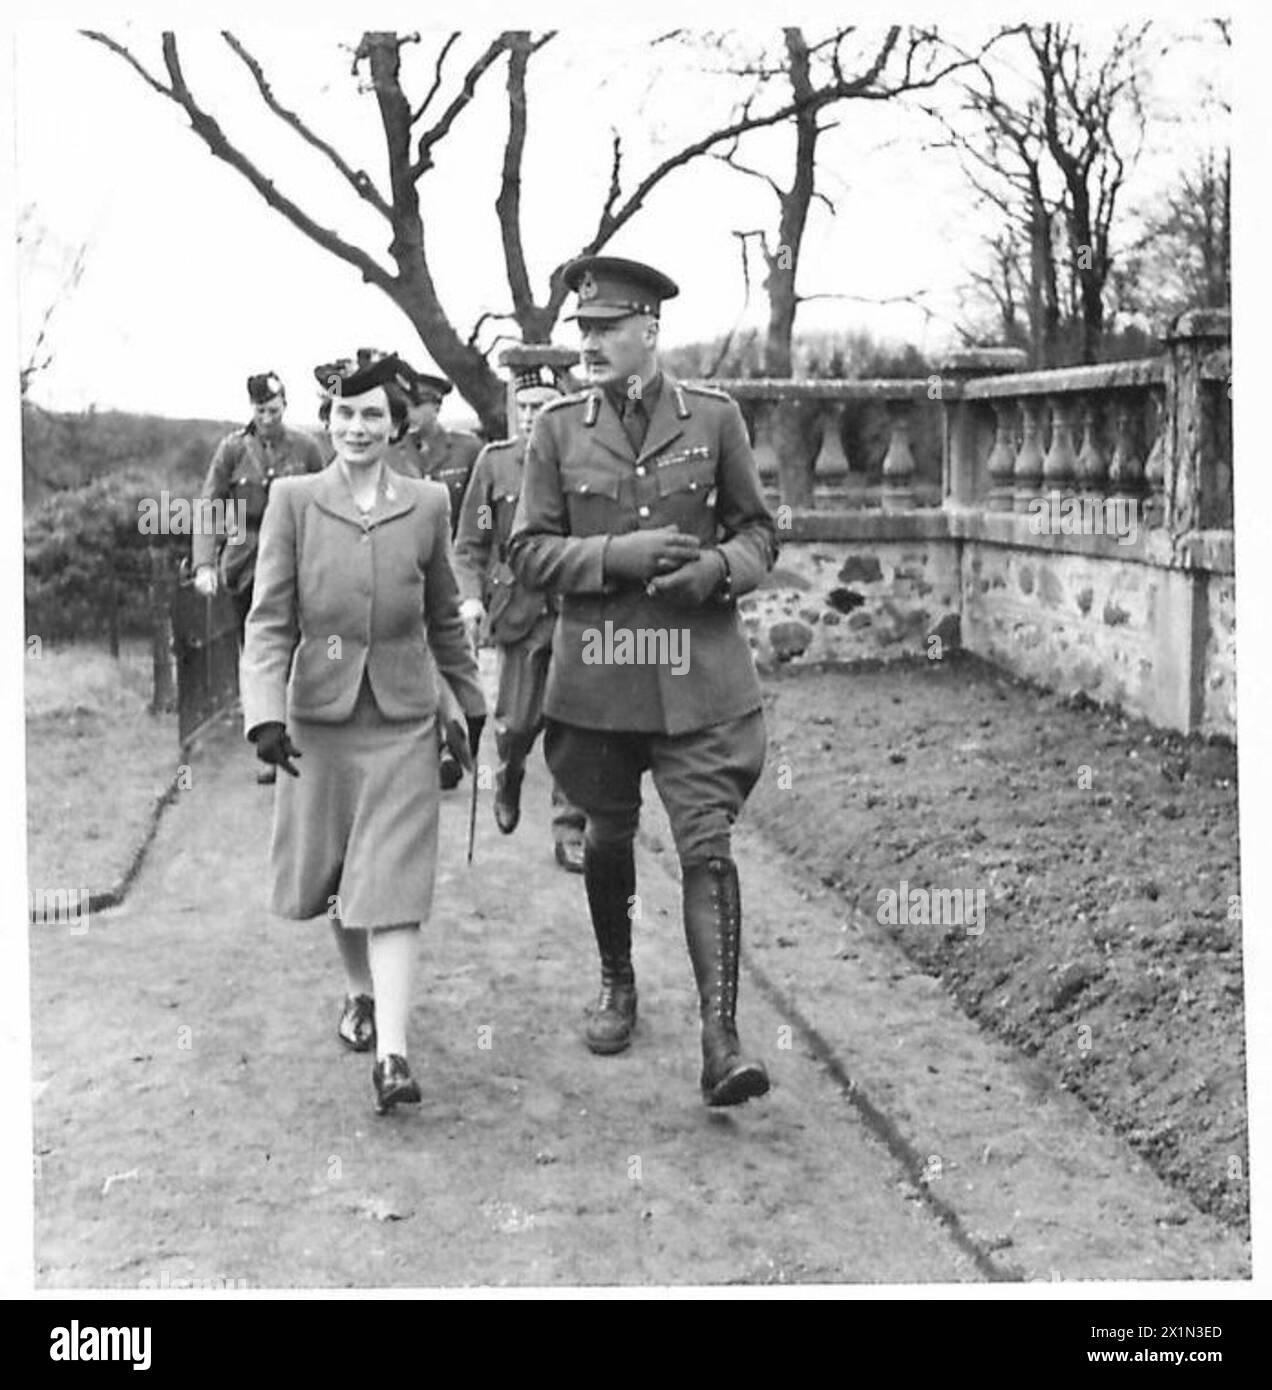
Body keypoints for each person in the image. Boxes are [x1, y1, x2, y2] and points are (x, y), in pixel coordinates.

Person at [508, 256, 778, 1108]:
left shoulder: (715, 419)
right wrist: (608, 559)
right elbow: (526, 551)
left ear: (649, 332)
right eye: (581, 328)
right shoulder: (555, 430)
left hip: (697, 676)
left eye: (604, 328)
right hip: (600, 679)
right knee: (609, 839)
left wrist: (719, 572)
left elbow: (760, 533)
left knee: (707, 845)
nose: (587, 342)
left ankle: (721, 1039)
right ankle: (618, 981)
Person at [240, 352, 486, 1114]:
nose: (356, 427)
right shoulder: (294, 501)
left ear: (398, 423)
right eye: (344, 414)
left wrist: (469, 704)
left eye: (373, 414)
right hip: (321, 723)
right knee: (342, 878)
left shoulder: (427, 504)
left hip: (406, 718)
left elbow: (444, 615)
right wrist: (265, 716)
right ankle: (359, 992)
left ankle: (394, 1057)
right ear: (328, 421)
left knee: (396, 885)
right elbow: (271, 619)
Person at [453, 364, 587, 874]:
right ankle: (508, 773)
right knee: (518, 723)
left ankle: (569, 830)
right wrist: (470, 599)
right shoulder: (495, 464)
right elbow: (470, 544)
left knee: (575, 724)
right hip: (518, 613)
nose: (532, 417)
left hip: (574, 609)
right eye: (525, 407)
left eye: (544, 406)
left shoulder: (583, 460)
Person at [192, 372, 326, 783]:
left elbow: (324, 501)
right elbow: (208, 506)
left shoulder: (305, 447)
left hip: (296, 557)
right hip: (246, 559)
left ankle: (299, 730)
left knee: (300, 645)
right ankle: (269, 743)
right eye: (259, 410)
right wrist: (205, 563)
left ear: (285, 404)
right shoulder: (232, 449)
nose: (266, 417)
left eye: (273, 409)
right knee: (257, 649)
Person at [387, 366, 483, 791]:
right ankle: (438, 741)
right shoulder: (389, 453)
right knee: (416, 655)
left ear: (435, 407)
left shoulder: (466, 450)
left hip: (455, 570)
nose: (409, 413)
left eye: (417, 406)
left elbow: (481, 516)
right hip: (405, 571)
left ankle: (451, 736)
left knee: (456, 654)